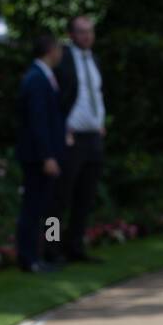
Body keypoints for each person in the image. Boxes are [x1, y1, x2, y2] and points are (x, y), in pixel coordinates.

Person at [54, 15, 107, 263]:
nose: (87, 36)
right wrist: (61, 128)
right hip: (71, 137)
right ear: (72, 34)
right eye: (82, 32)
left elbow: (95, 94)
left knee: (85, 195)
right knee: (62, 195)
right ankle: (53, 250)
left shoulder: (94, 59)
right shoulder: (64, 59)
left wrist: (100, 123)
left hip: (93, 136)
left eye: (90, 31)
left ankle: (76, 247)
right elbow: (56, 97)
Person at [14, 33, 67, 273]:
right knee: (33, 208)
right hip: (37, 157)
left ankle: (36, 256)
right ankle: (29, 258)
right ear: (50, 50)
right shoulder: (37, 79)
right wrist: (47, 156)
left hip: (40, 155)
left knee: (39, 207)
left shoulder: (42, 76)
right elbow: (38, 121)